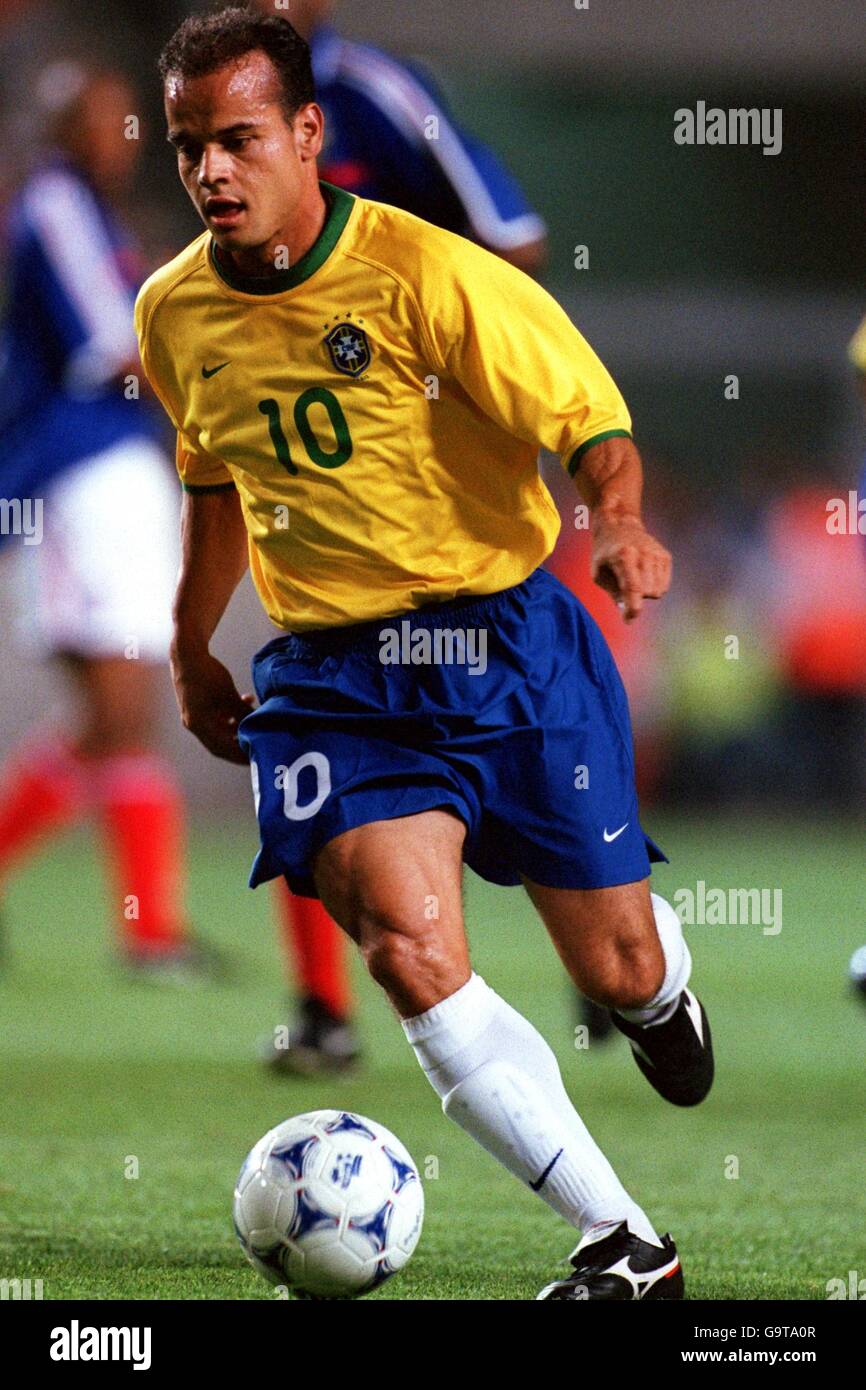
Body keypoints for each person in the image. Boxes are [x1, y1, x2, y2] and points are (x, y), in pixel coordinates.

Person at [137, 8, 714, 1299]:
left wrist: (615, 519)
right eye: (187, 149)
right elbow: (215, 487)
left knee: (612, 962)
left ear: (304, 134)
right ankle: (622, 1240)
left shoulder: (429, 274)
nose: (211, 172)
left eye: (236, 140)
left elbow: (592, 422)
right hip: (336, 676)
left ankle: (657, 989)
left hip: (505, 646)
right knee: (406, 944)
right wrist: (189, 648)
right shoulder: (173, 314)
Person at [247, 0, 547, 1072]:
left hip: (431, 482)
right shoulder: (202, 108)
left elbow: (512, 237)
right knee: (296, 723)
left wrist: (455, 384)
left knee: (501, 718)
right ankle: (324, 1006)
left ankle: (610, 940)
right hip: (293, 478)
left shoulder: (379, 94)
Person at [0, 62, 215, 981]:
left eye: (132, 123)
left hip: (120, 471)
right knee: (120, 703)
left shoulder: (96, 215)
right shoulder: (54, 204)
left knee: (122, 713)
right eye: (104, 121)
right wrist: (227, 384)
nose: (125, 140)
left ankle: (152, 931)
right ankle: (150, 934)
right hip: (73, 474)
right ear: (60, 128)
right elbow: (112, 350)